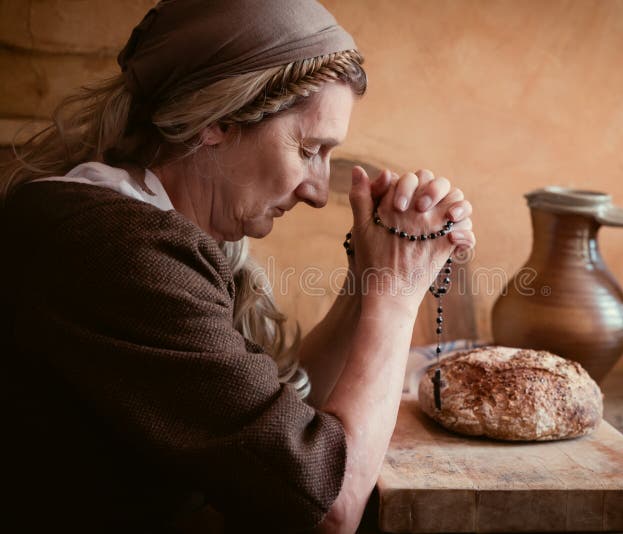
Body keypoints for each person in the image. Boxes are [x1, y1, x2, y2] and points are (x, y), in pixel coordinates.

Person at [0, 1, 475, 532]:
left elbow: (287, 421)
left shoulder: (129, 220)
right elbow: (325, 505)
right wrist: (397, 288)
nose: (319, 192)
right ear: (217, 122)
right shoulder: (117, 248)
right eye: (310, 149)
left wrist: (369, 279)